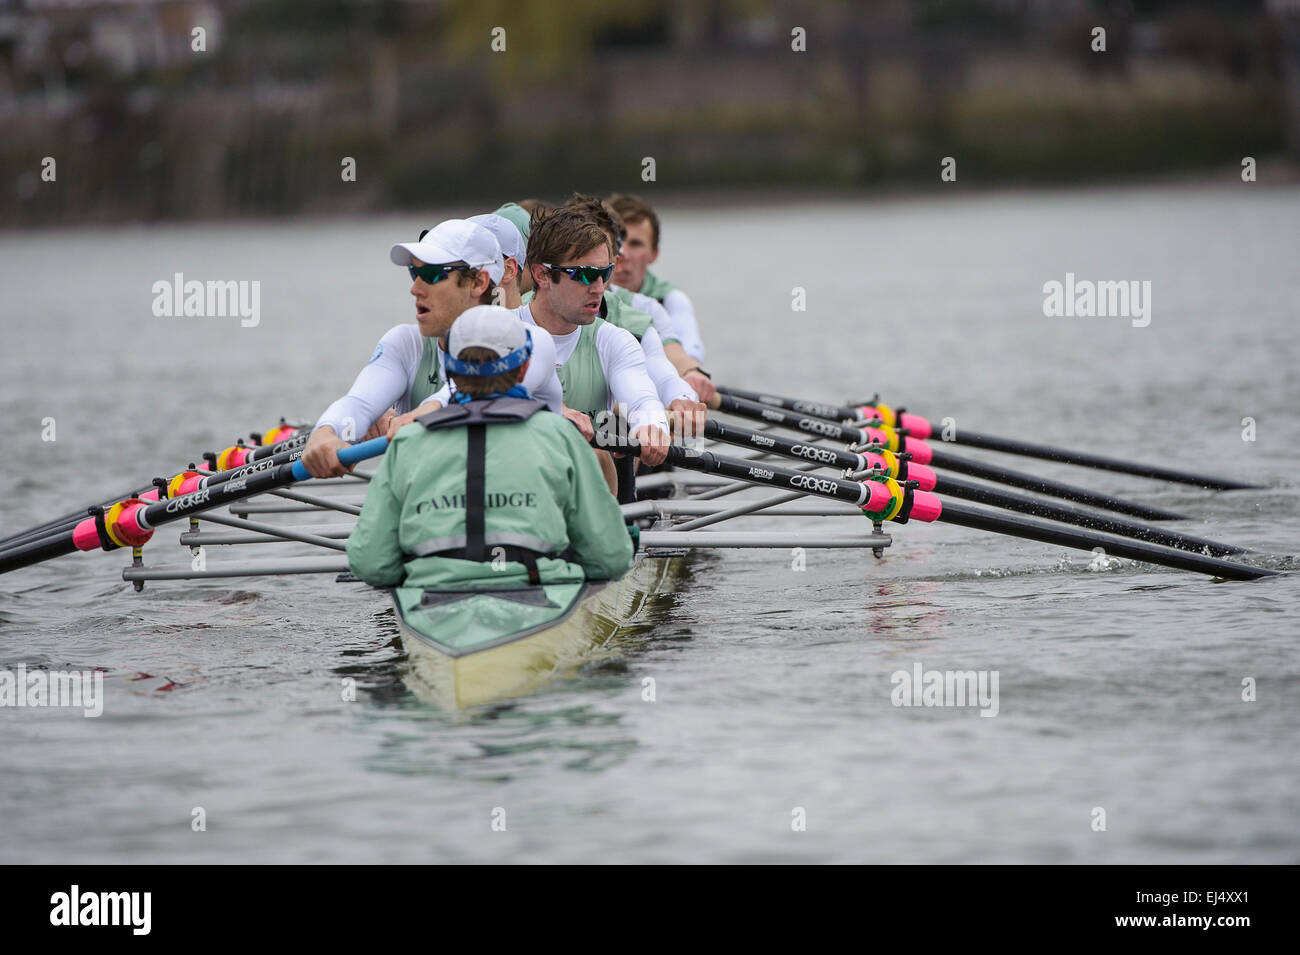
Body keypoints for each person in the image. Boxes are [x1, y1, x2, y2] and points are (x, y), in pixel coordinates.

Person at [346, 305, 634, 590]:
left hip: (435, 596)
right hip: (539, 592)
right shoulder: (560, 435)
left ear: (449, 369)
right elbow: (611, 558)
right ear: (523, 369)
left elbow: (371, 563)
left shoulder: (407, 442)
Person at [302, 219, 562, 478]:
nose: (415, 288)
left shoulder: (531, 341)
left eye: (432, 275)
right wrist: (327, 433)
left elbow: (479, 389)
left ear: (478, 282)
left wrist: (428, 410)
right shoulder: (406, 343)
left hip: (522, 505)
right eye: (415, 273)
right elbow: (357, 404)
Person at [514, 203, 673, 474]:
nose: (599, 288)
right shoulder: (500, 334)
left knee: (600, 457)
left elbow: (641, 399)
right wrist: (549, 410)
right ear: (541, 274)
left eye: (604, 273)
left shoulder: (614, 342)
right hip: (514, 484)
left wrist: (652, 425)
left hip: (584, 489)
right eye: (585, 275)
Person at [607, 193, 711, 388]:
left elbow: (687, 355)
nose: (623, 254)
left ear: (653, 254)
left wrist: (691, 373)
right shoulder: (577, 296)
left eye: (635, 244)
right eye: (616, 242)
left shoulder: (670, 300)